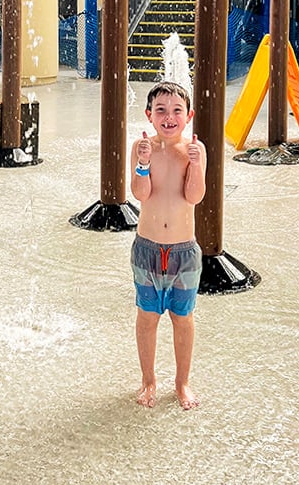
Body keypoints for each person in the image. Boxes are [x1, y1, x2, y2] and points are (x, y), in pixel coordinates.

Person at [130, 81, 207, 410]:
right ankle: (149, 380)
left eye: (177, 110)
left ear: (188, 116)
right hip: (147, 248)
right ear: (150, 115)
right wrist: (143, 162)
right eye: (161, 110)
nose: (169, 116)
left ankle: (182, 382)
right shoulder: (142, 147)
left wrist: (196, 165)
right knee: (147, 316)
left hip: (183, 252)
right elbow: (140, 193)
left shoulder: (193, 149)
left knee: (182, 317)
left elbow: (194, 196)